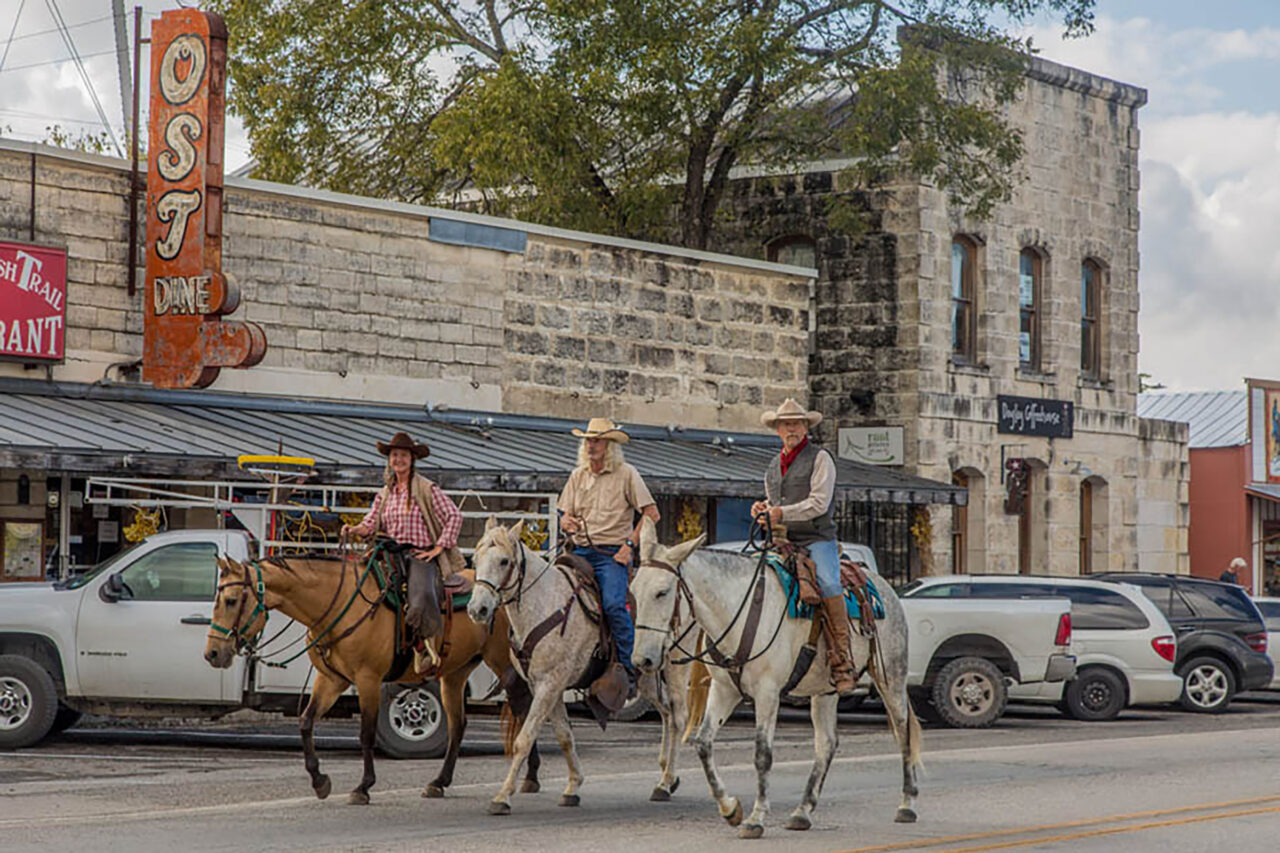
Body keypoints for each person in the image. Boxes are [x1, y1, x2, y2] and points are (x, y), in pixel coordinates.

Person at [751, 398, 856, 694]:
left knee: (828, 583)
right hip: (783, 540)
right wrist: (763, 508)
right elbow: (774, 503)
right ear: (778, 430)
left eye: (796, 423)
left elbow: (819, 504)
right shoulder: (773, 466)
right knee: (753, 578)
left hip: (817, 538)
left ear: (806, 427)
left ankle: (841, 661)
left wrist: (780, 512)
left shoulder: (821, 458)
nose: (791, 429)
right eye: (786, 424)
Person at [558, 417, 660, 689]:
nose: (591, 445)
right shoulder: (577, 475)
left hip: (611, 555)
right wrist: (565, 522)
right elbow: (565, 514)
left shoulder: (627, 473)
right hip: (578, 550)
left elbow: (652, 514)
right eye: (588, 440)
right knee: (551, 595)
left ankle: (628, 668)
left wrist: (630, 546)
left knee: (614, 605)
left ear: (609, 445)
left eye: (597, 440)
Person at [341, 432, 464, 640]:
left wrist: (438, 547)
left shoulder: (427, 489)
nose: (399, 460)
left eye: (404, 455)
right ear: (389, 460)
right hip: (390, 553)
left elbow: (454, 516)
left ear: (412, 459)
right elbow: (370, 523)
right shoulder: (385, 492)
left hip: (418, 554)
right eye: (394, 455)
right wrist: (354, 529)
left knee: (420, 599)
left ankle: (426, 646)